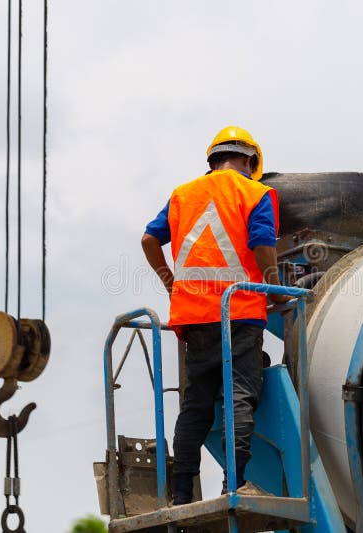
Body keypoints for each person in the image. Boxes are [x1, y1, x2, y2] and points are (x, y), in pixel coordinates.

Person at [141, 125, 289, 505]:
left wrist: (170, 284)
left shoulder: (182, 195)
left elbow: (148, 239)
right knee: (240, 394)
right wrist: (273, 288)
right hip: (238, 311)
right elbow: (260, 243)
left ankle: (181, 494)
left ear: (213, 159)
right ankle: (234, 485)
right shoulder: (256, 193)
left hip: (192, 317)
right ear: (249, 161)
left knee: (196, 404)